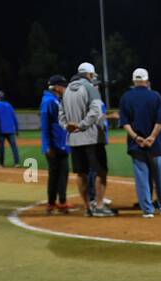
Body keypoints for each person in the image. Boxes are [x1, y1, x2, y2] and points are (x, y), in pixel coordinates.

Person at [118, 67, 161, 218]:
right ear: (147, 81)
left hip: (136, 145)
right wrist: (152, 138)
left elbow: (125, 123)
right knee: (159, 177)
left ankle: (148, 210)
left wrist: (136, 138)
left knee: (142, 178)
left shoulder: (126, 97)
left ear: (133, 81)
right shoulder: (155, 96)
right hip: (155, 145)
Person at [60, 62, 113, 216]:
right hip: (92, 138)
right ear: (90, 75)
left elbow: (61, 114)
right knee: (100, 172)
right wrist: (82, 125)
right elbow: (96, 111)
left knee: (81, 173)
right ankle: (99, 205)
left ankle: (87, 208)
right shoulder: (90, 88)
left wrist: (67, 127)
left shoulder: (67, 90)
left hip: (74, 140)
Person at [39, 75, 70, 213]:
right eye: (63, 86)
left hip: (61, 144)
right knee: (57, 175)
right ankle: (54, 203)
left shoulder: (54, 100)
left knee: (61, 174)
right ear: (57, 87)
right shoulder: (49, 101)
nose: (65, 88)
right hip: (55, 146)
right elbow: (45, 126)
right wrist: (47, 146)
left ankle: (58, 203)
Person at [0, 90, 20, 166]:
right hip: (10, 129)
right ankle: (16, 163)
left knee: (1, 147)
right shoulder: (8, 105)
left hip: (1, 130)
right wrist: (16, 129)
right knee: (14, 146)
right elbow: (14, 117)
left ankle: (1, 163)